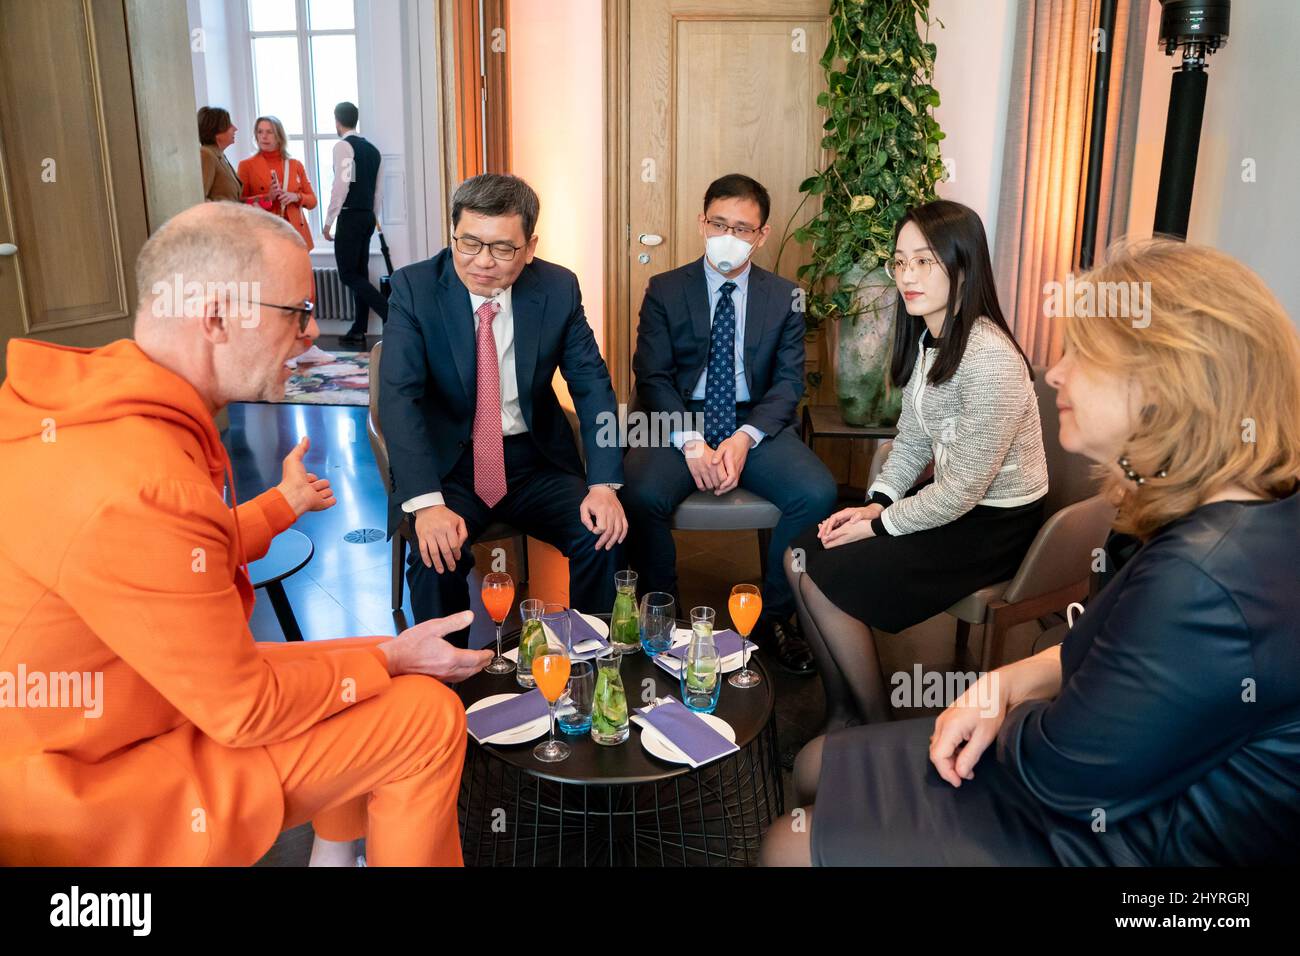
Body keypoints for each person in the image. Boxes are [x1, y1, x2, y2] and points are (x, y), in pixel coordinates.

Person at [761, 237, 1300, 866]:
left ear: (1166, 383)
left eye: (1083, 355)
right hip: (1100, 774)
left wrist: (1003, 711)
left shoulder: (1200, 578)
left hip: (1133, 841)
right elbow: (1095, 651)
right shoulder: (1190, 508)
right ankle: (858, 715)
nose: (1055, 372)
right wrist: (1006, 682)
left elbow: (1063, 776)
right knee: (811, 764)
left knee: (789, 840)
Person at [0, 202, 492, 867]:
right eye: (296, 313)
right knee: (424, 716)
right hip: (92, 781)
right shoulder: (143, 480)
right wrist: (386, 665)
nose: (313, 336)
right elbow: (244, 711)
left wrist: (277, 507)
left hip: (132, 702)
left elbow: (161, 569)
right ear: (214, 317)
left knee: (379, 653)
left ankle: (335, 860)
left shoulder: (99, 413)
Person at [787, 200, 1047, 726]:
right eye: (900, 262)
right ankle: (843, 710)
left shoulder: (990, 357)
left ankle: (875, 725)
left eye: (924, 261)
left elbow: (961, 493)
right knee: (799, 556)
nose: (907, 275)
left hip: (997, 522)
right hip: (956, 502)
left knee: (824, 574)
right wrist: (876, 503)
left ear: (964, 266)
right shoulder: (930, 339)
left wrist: (878, 527)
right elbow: (909, 441)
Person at [379, 173, 627, 641]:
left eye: (502, 249)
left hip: (534, 460)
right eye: (469, 243)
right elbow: (399, 398)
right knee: (437, 555)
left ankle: (599, 662)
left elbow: (592, 386)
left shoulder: (557, 288)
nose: (483, 262)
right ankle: (444, 686)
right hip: (451, 465)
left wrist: (603, 484)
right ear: (453, 233)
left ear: (529, 247)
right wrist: (426, 504)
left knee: (603, 531)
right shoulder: (415, 288)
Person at [621, 174, 837, 674]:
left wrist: (743, 438)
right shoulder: (665, 289)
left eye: (742, 228)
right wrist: (691, 440)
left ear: (761, 236)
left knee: (818, 492)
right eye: (718, 223)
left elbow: (787, 384)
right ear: (701, 223)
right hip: (680, 416)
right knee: (639, 492)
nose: (728, 236)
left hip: (751, 419)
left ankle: (775, 616)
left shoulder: (785, 297)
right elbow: (651, 376)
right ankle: (663, 616)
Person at [322, 101, 388, 349]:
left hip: (349, 217)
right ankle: (358, 329)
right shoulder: (373, 150)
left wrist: (329, 221)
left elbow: (341, 185)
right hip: (367, 217)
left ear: (337, 121)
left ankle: (390, 312)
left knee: (348, 274)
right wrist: (371, 216)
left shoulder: (343, 146)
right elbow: (378, 191)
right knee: (359, 273)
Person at [238, 115, 318, 250]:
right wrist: (267, 197)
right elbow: (239, 203)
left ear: (279, 136)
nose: (264, 136)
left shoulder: (295, 165)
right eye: (260, 132)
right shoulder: (246, 166)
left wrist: (296, 197)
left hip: (295, 235)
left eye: (269, 132)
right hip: (265, 233)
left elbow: (313, 201)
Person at [197, 106, 241, 202]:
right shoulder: (206, 154)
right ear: (216, 131)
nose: (235, 129)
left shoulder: (219, 155)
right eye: (229, 125)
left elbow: (231, 200)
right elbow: (200, 199)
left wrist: (266, 197)